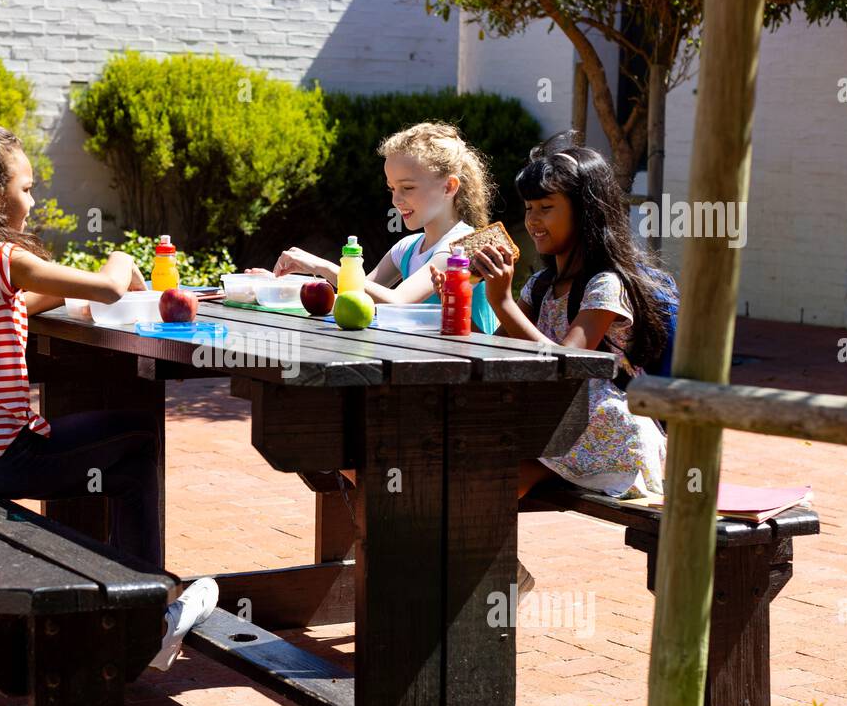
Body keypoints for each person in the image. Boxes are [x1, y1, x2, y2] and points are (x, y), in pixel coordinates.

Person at [0, 117, 217, 669]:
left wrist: (74, 298)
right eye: (27, 189)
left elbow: (6, 307)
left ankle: (103, 600)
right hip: (4, 456)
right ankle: (147, 620)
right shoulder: (3, 258)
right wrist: (123, 259)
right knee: (137, 444)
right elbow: (113, 285)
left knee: (111, 465)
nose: (33, 200)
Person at [433, 132, 672, 502]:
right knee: (458, 457)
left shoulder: (605, 284)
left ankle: (466, 554)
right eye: (528, 208)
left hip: (609, 437)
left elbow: (569, 364)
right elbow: (496, 350)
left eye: (546, 207)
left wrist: (503, 302)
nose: (533, 221)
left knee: (497, 480)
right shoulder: (542, 284)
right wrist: (456, 300)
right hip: (553, 422)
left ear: (585, 211)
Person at [261, 122, 501, 333]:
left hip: (471, 373)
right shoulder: (406, 248)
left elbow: (398, 300)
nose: (396, 200)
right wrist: (276, 290)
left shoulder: (462, 248)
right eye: (392, 189)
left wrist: (322, 266)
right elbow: (356, 299)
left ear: (448, 187)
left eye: (407, 188)